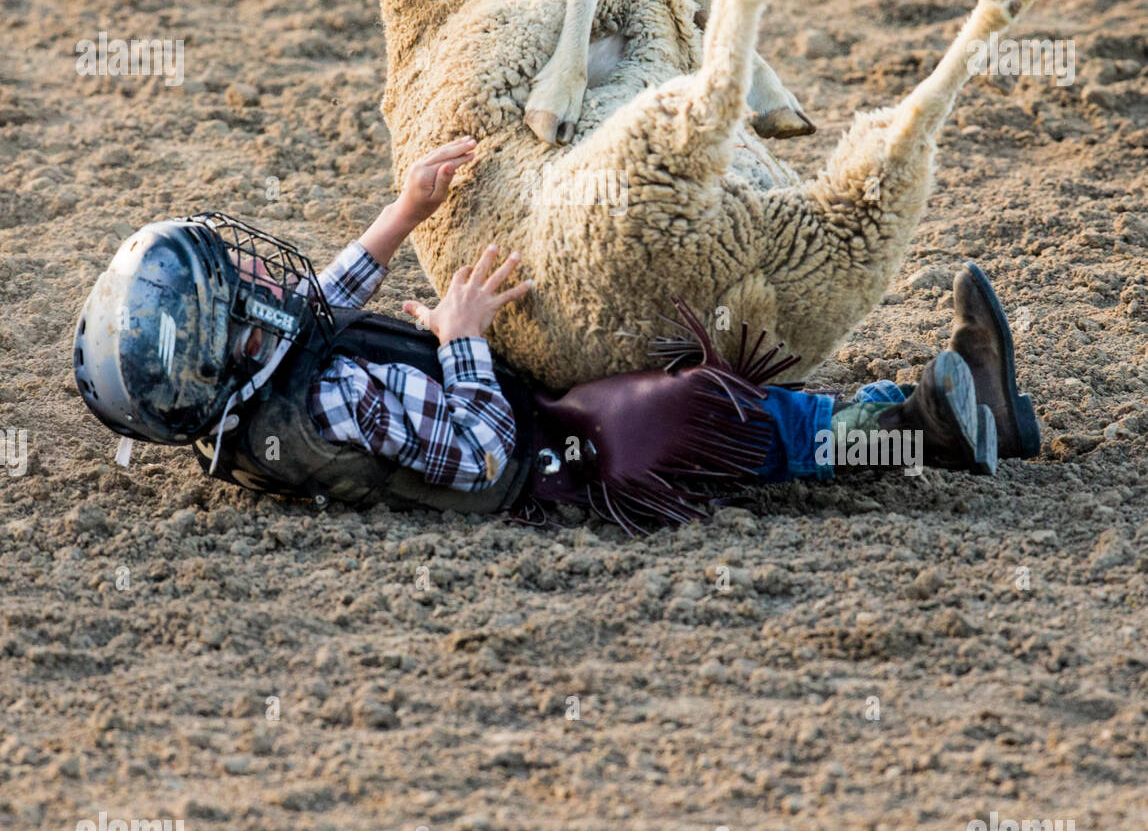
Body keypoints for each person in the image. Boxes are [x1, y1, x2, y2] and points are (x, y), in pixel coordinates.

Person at [74, 144, 1040, 532]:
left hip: (522, 423)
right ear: (233, 346)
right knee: (687, 413)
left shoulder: (250, 385)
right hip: (549, 464)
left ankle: (981, 419)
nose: (254, 273)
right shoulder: (330, 402)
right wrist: (459, 335)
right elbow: (477, 451)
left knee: (657, 360)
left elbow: (318, 307)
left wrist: (406, 211)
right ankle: (930, 429)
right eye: (235, 289)